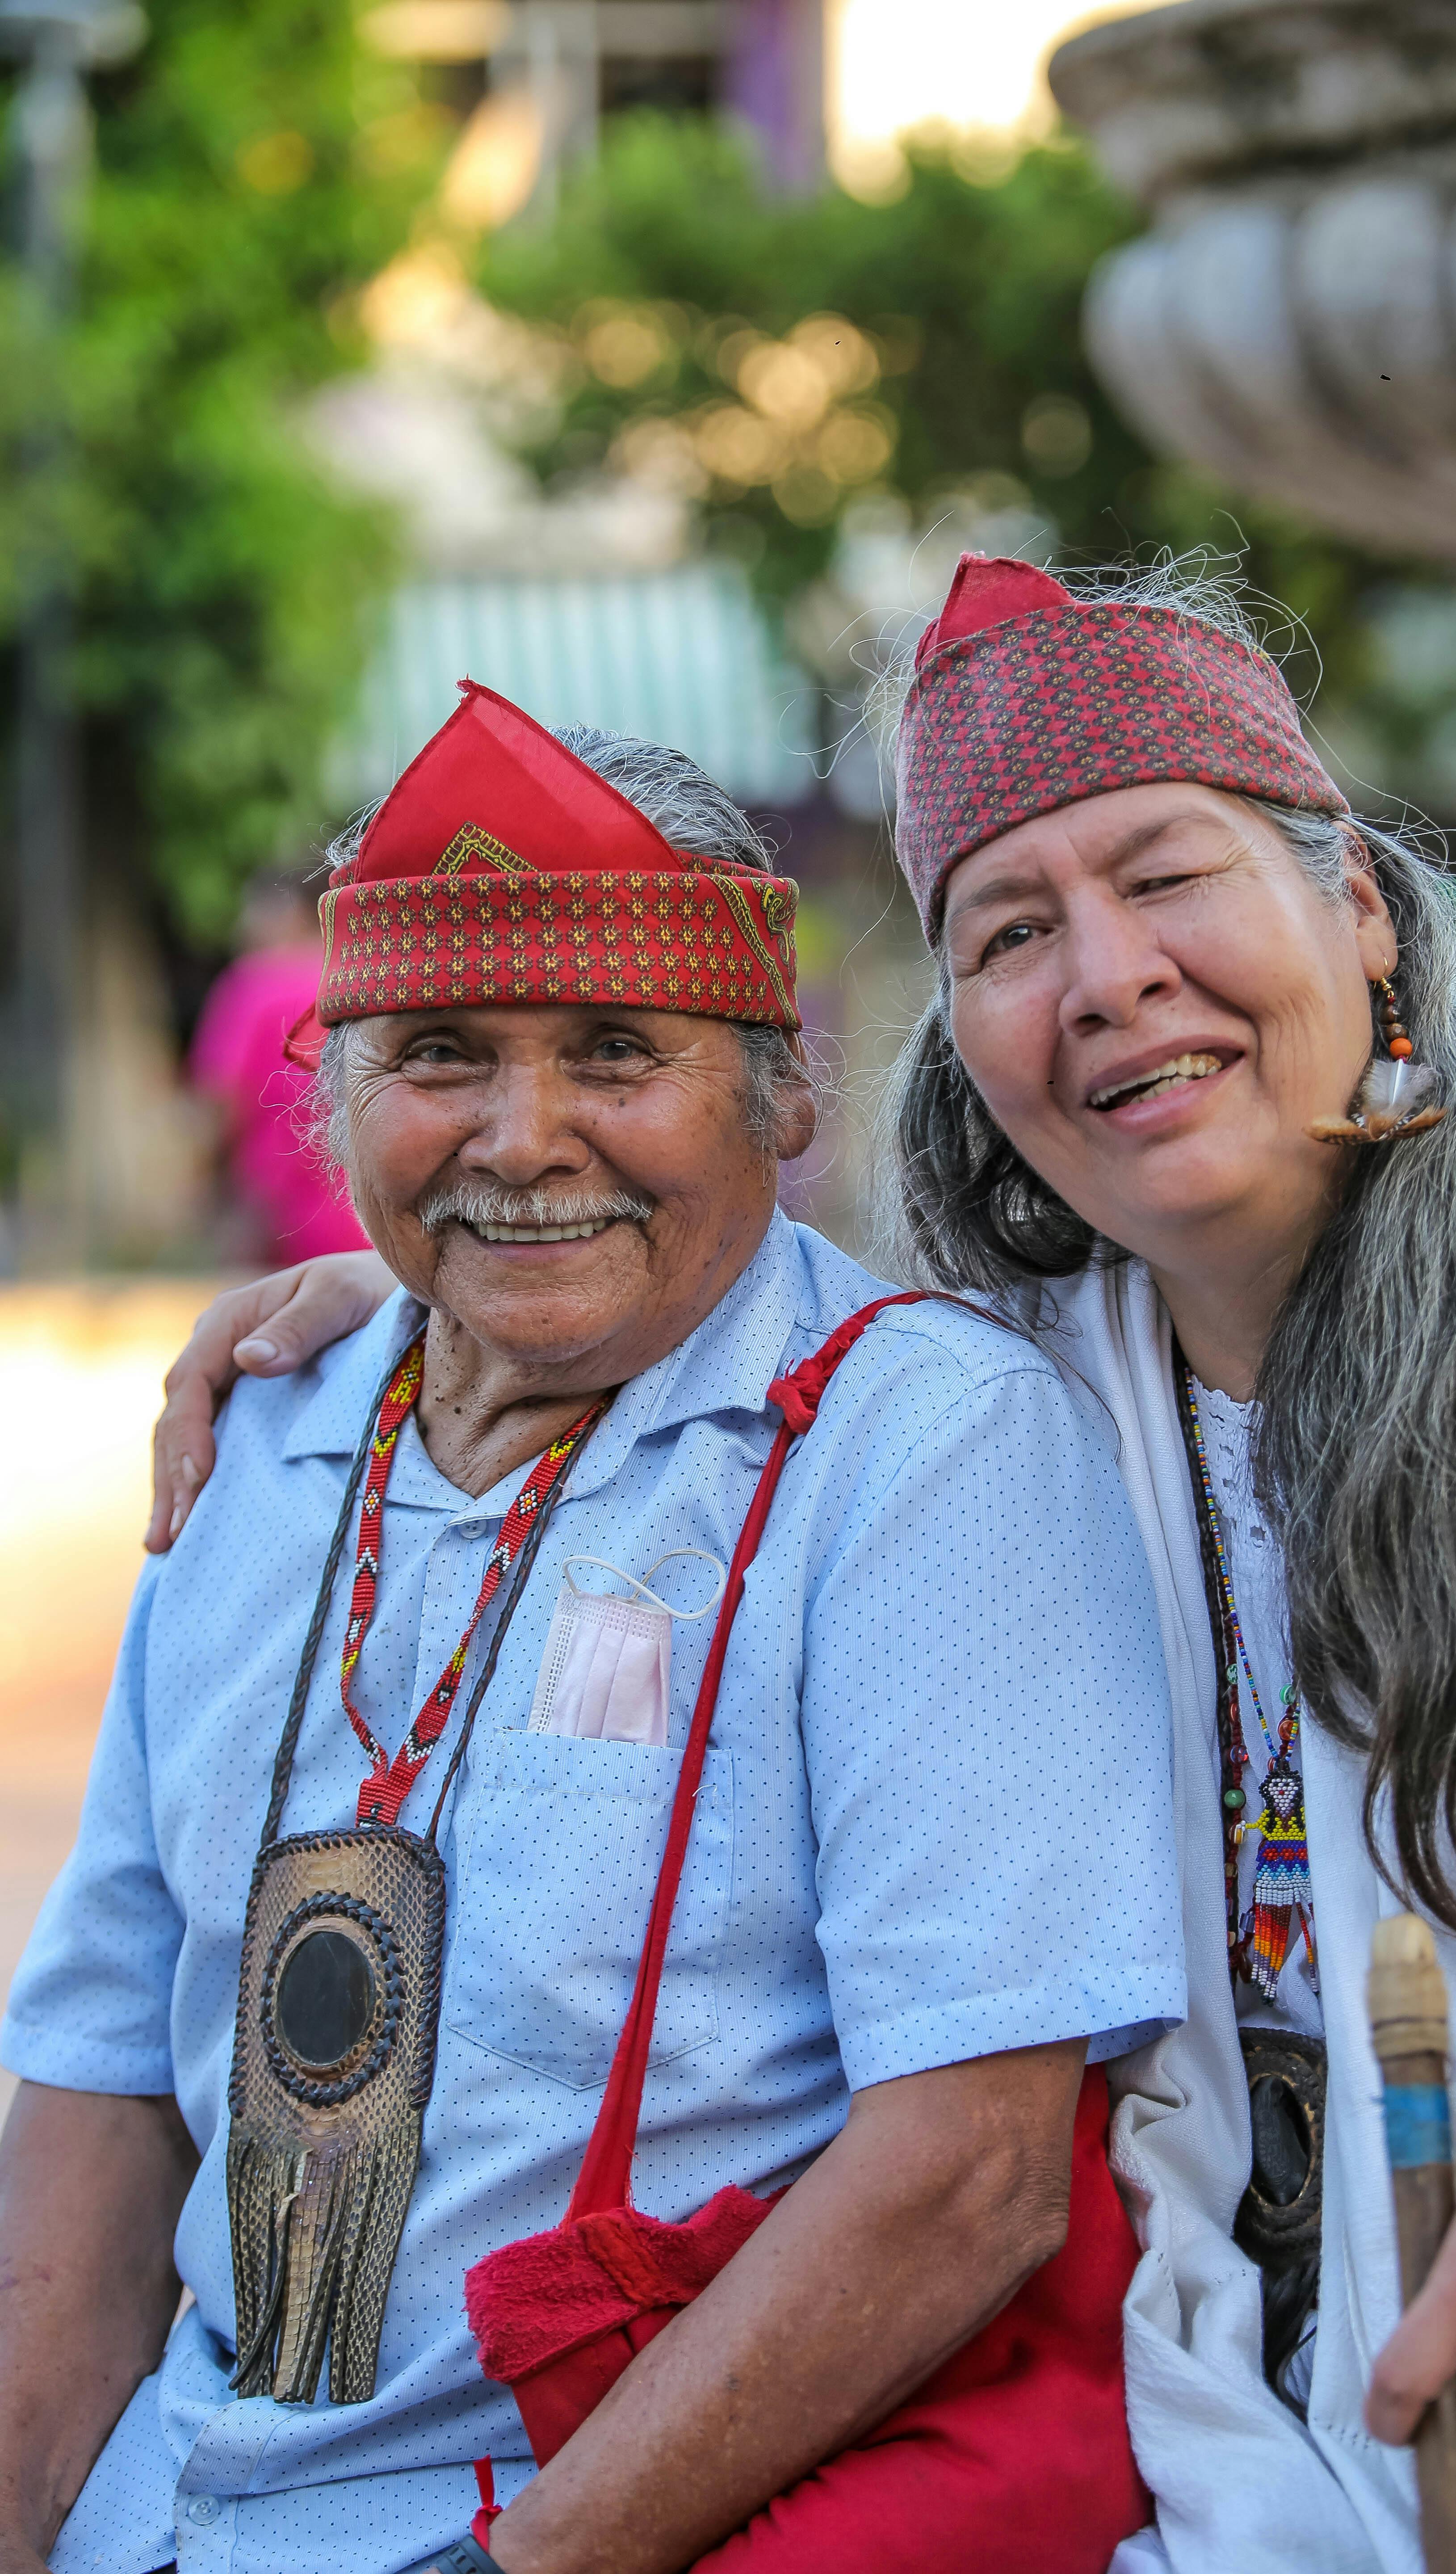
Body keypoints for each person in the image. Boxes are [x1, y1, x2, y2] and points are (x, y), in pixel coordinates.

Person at [154, 559, 1456, 2574]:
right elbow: (717, 1297)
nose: (1109, 974)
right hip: (1275, 2498)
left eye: (1168, 875)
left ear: (1356, 911)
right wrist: (410, 1292)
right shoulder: (1038, 1391)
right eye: (1010, 928)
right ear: (959, 1040)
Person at [0, 679, 1184, 2574]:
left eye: (618, 1051)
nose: (524, 1137)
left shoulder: (918, 1448)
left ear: (777, 1090)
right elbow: (103, 2073)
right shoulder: (262, 1431)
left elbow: (965, 2177)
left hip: (564, 2533)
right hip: (171, 2512)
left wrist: (526, 2567)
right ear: (335, 1095)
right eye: (444, 1053)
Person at [187, 865, 370, 1264]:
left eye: (254, 909)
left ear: (291, 913)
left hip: (283, 1227)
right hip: (373, 1221)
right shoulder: (358, 978)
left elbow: (220, 1106)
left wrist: (200, 1193)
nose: (242, 924)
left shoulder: (252, 984)